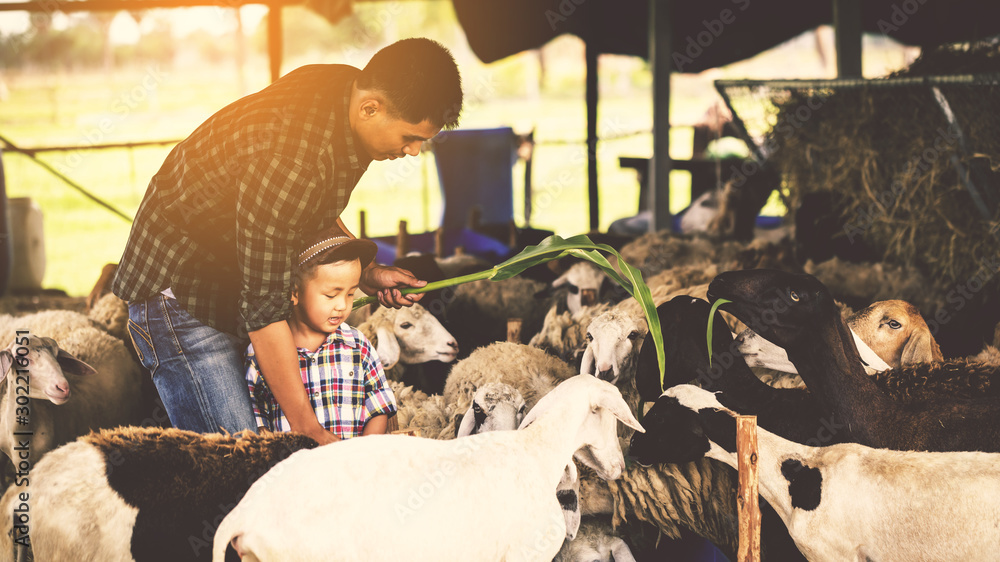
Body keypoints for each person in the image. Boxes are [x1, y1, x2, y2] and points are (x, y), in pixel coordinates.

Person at [114, 38, 463, 445]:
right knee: (242, 465)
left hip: (235, 277)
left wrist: (364, 271)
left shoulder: (347, 95)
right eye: (409, 136)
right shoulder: (291, 153)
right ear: (371, 107)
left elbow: (306, 206)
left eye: (423, 140)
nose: (415, 151)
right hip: (182, 295)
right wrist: (308, 430)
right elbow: (263, 305)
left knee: (270, 449)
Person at [246, 227, 394, 440]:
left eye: (351, 293)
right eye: (331, 295)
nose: (343, 305)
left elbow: (379, 406)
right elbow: (259, 423)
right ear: (294, 292)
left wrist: (362, 454)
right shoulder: (260, 355)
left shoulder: (358, 345)